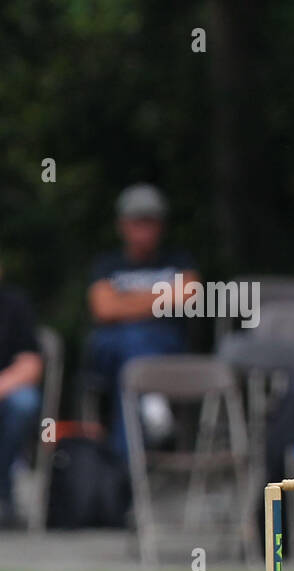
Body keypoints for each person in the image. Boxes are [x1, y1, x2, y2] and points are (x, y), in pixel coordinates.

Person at [86, 184, 198, 459]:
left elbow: (191, 296)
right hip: (112, 349)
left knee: (132, 360)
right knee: (130, 345)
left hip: (166, 348)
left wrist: (127, 302)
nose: (144, 230)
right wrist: (160, 298)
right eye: (138, 222)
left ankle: (124, 468)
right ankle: (152, 403)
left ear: (161, 226)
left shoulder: (179, 259)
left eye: (150, 222)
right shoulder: (106, 263)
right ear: (122, 225)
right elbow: (103, 309)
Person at [0, 269, 44, 528]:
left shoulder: (15, 306)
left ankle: (2, 491)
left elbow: (31, 366)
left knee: (24, 402)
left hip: (6, 393)